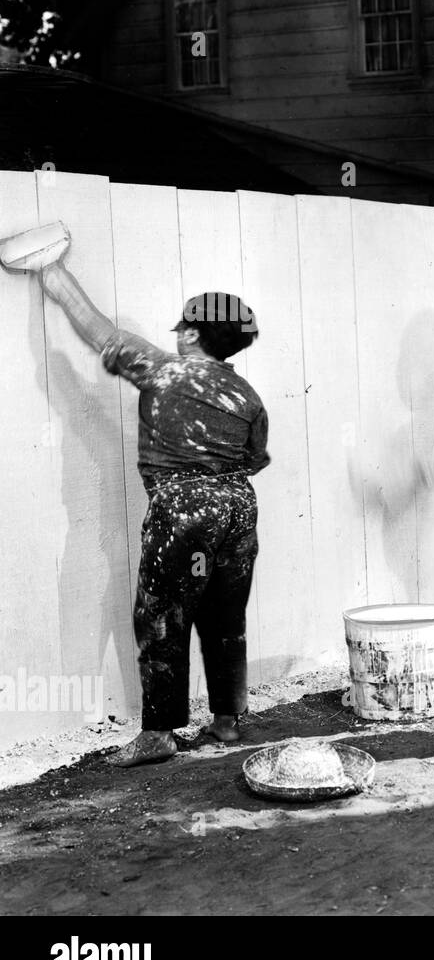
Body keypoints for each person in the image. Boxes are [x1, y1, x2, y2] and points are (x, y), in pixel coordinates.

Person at [32, 265, 267, 767]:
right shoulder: (248, 397)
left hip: (184, 512)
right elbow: (254, 458)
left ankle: (159, 733)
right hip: (237, 510)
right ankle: (226, 721)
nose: (177, 332)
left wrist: (54, 275)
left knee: (163, 616)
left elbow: (100, 331)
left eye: (183, 326)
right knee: (225, 614)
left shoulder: (162, 370)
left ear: (192, 333)